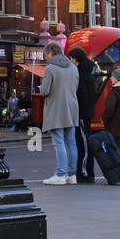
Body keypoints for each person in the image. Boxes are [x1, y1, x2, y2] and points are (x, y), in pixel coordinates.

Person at [39, 42, 80, 184]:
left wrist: (41, 87)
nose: (46, 57)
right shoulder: (73, 68)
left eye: (46, 54)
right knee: (71, 142)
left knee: (59, 142)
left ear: (50, 53)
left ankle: (60, 174)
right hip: (72, 108)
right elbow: (75, 87)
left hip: (56, 109)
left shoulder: (50, 68)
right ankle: (72, 175)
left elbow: (45, 91)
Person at [68, 46, 96, 184]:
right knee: (82, 142)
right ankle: (84, 171)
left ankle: (85, 172)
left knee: (84, 143)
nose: (70, 61)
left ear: (75, 59)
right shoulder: (87, 73)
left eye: (70, 58)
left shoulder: (80, 75)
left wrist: (78, 112)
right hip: (85, 113)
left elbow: (81, 96)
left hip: (81, 113)